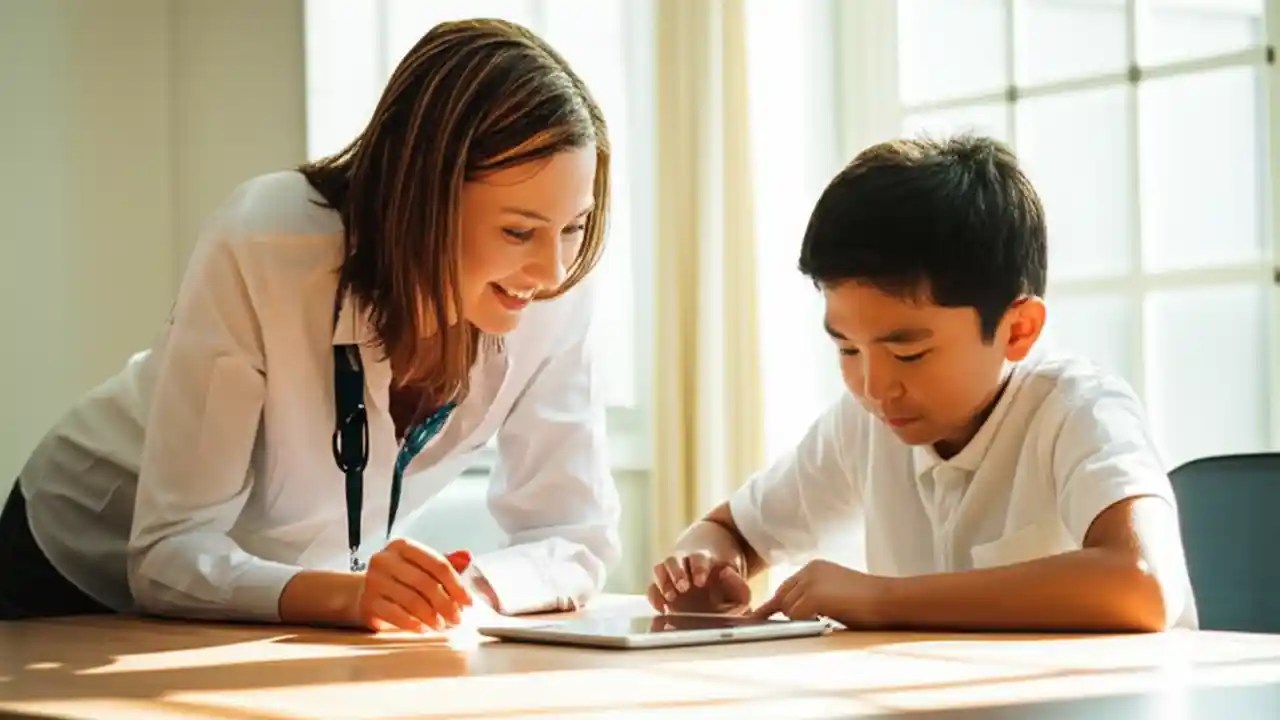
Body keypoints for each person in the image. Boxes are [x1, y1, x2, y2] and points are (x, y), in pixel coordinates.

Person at [2, 18, 621, 632]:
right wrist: (350, 598)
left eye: (573, 227)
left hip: (266, 602)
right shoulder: (268, 243)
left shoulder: (554, 291)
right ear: (421, 197)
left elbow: (576, 535)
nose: (555, 269)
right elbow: (169, 554)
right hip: (73, 562)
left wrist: (468, 588)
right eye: (519, 231)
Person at [648, 136, 1197, 632]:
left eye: (909, 352)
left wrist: (882, 599)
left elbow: (1143, 585)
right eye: (846, 349)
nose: (875, 386)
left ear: (1018, 329)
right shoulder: (864, 423)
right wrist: (704, 566)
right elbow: (733, 531)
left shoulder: (1079, 411)